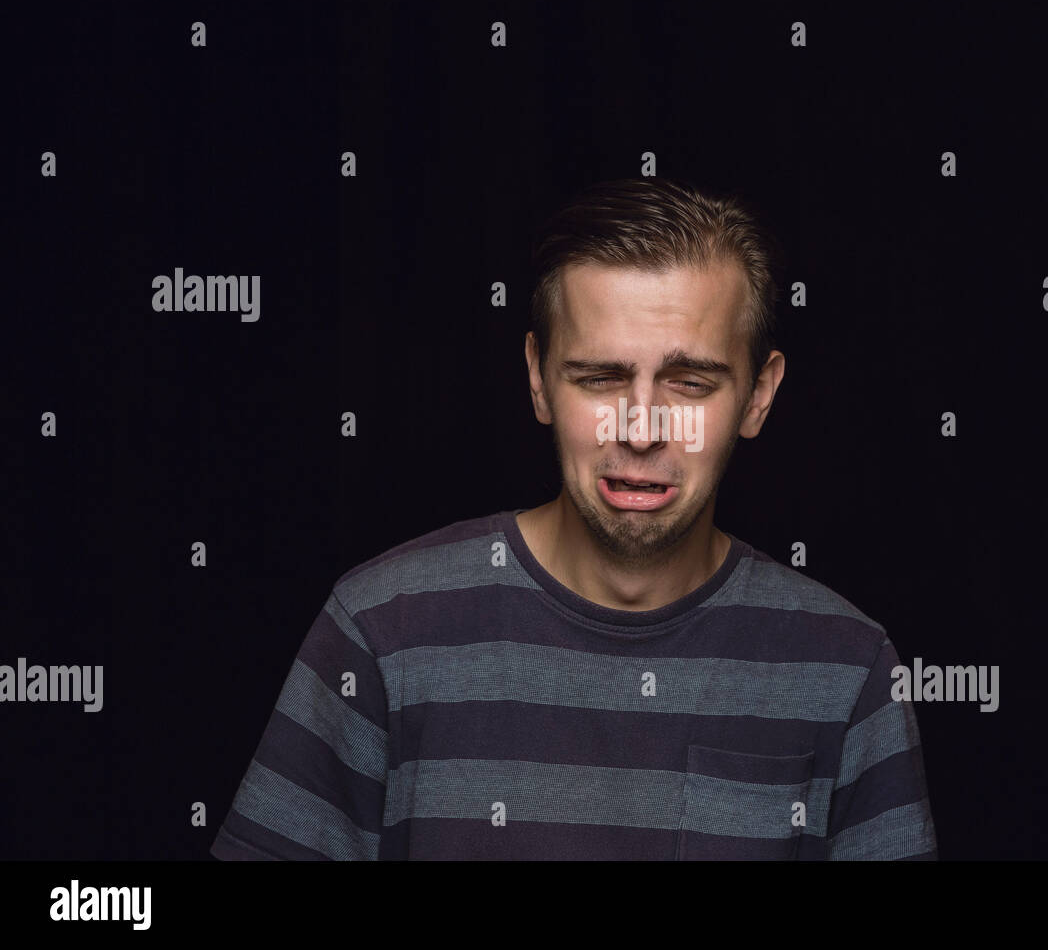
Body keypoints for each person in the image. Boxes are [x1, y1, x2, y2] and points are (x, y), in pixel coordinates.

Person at [210, 176, 938, 860]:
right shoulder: (380, 632)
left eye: (689, 384)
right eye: (600, 378)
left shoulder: (847, 670)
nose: (643, 426)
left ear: (758, 395)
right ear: (537, 381)